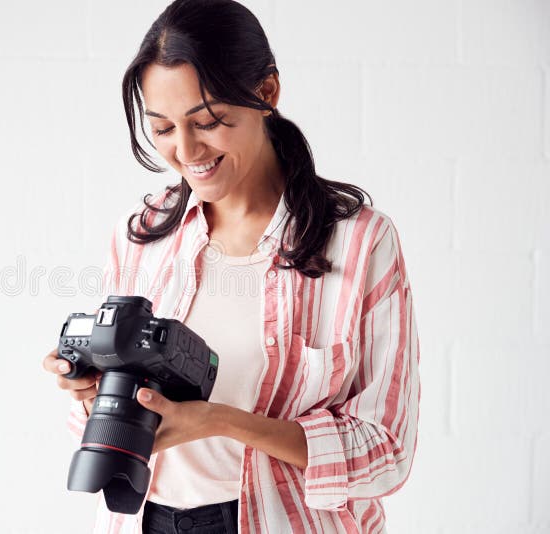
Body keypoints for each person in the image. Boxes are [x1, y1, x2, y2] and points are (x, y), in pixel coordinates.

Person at [42, 0, 421, 532]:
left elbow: (386, 451)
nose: (186, 150)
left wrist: (221, 422)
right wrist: (92, 390)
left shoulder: (360, 243)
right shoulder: (143, 238)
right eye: (163, 128)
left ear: (267, 93)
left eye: (209, 121)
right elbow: (104, 424)